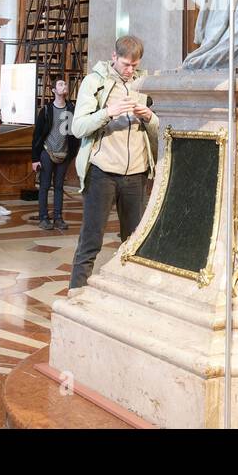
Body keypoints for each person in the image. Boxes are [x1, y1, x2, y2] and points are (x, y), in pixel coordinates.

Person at [69, 35, 159, 290]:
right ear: (114, 57)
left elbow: (160, 130)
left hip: (137, 174)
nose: (130, 70)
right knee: (91, 240)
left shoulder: (144, 84)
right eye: (125, 64)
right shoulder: (95, 82)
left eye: (134, 65)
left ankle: (128, 294)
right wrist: (108, 112)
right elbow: (78, 127)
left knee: (133, 242)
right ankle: (75, 293)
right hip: (103, 173)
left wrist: (149, 116)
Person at [32, 78, 78, 231]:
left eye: (65, 84)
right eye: (60, 84)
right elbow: (37, 135)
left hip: (64, 153)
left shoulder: (71, 108)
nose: (64, 86)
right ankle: (43, 217)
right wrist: (35, 159)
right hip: (47, 152)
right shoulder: (46, 110)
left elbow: (73, 133)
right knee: (44, 186)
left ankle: (58, 217)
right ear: (53, 91)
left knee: (59, 186)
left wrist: (72, 154)